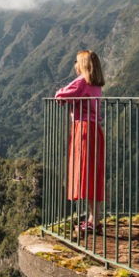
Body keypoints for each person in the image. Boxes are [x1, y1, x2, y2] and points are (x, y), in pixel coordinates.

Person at [55, 50, 105, 233]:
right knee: (94, 175)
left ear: (82, 64)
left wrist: (65, 99)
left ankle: (92, 221)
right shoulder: (96, 84)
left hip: (83, 130)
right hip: (96, 130)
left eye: (76, 61)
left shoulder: (82, 81)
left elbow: (60, 95)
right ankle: (94, 219)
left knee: (85, 173)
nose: (75, 64)